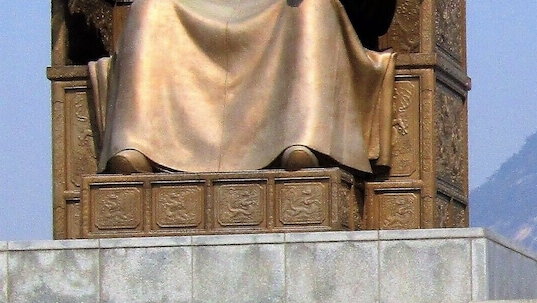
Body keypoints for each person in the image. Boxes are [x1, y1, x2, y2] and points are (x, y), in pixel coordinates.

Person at [97, 0, 400, 175]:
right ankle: (141, 143)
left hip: (289, 12)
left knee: (309, 5)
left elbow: (376, 14)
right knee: (152, 7)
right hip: (207, 8)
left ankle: (305, 139)